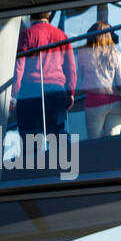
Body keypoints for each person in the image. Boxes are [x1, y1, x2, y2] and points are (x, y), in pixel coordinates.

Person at [12, 11, 76, 144]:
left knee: (30, 137)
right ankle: (67, 161)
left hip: (31, 90)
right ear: (48, 16)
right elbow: (71, 68)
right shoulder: (62, 36)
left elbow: (19, 65)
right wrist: (71, 92)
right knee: (58, 134)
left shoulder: (28, 34)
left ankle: (33, 164)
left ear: (31, 16)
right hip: (56, 90)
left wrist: (14, 93)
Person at [77, 20, 121, 138]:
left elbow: (81, 77)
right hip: (115, 103)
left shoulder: (83, 53)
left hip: (94, 103)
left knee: (94, 142)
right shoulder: (115, 53)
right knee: (112, 143)